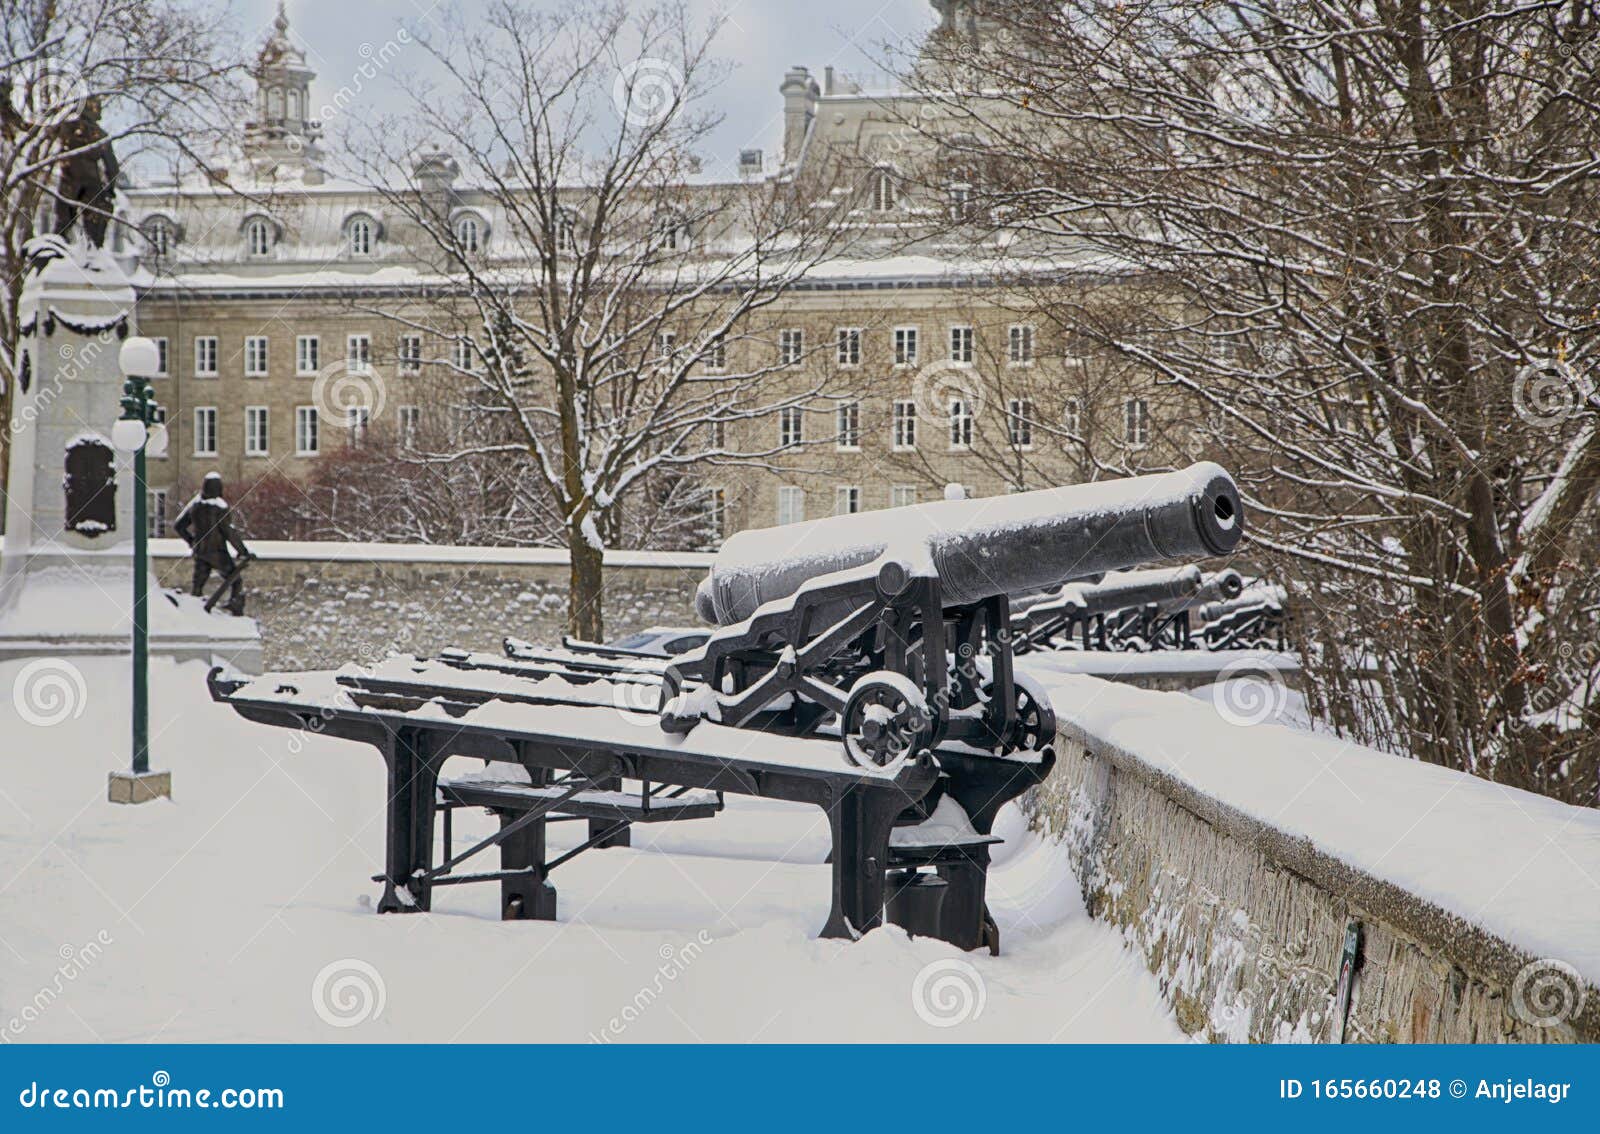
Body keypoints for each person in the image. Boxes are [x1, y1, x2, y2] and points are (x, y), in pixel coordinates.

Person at [173, 473, 251, 615]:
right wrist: (243, 551)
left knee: (198, 585)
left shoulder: (195, 505)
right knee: (236, 580)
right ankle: (235, 606)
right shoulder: (219, 507)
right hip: (216, 552)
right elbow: (228, 532)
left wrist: (192, 541)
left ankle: (193, 611)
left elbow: (179, 526)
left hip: (200, 551)